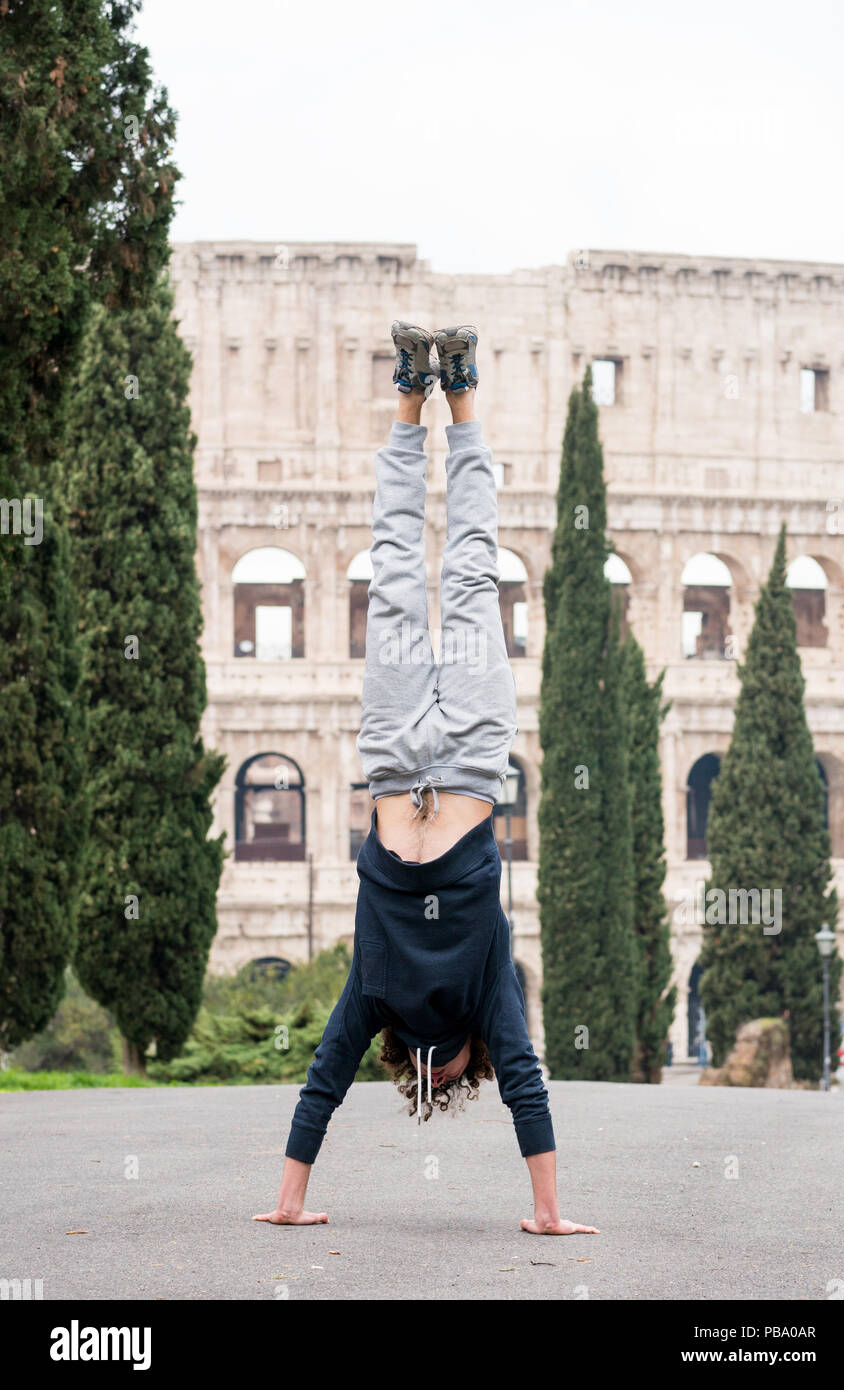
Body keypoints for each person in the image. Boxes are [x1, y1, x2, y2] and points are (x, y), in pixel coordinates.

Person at [254, 323, 598, 1236]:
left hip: (396, 753)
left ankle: (413, 394)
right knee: (475, 570)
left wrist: (289, 1202)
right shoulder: (490, 991)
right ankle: (467, 397)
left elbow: (325, 1073)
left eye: (419, 1076)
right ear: (467, 1062)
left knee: (397, 566)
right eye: (446, 1080)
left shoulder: (374, 994)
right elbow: (525, 1080)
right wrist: (547, 1214)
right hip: (477, 754)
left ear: (405, 1060)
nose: (432, 1074)